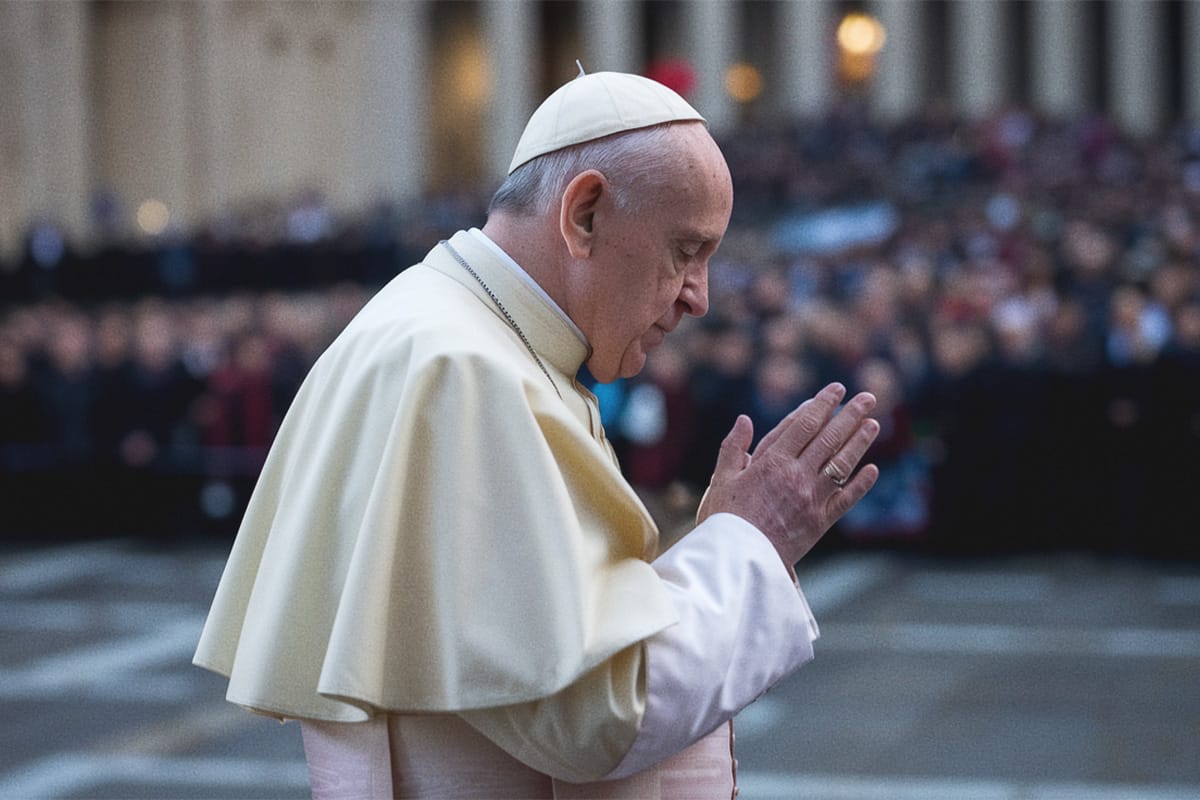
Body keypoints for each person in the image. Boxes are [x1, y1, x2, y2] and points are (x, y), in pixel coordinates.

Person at [194, 70, 881, 799]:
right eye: (686, 250)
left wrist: (706, 542)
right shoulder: (471, 373)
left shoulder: (437, 321)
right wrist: (752, 541)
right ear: (584, 213)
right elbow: (598, 715)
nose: (699, 297)